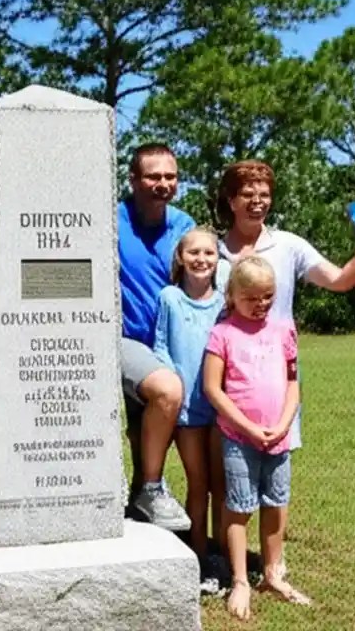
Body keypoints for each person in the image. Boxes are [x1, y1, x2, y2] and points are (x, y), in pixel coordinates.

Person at [212, 160, 355, 580]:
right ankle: (222, 561)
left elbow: (341, 280)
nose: (257, 201)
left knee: (276, 480)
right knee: (225, 476)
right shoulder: (210, 250)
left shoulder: (289, 245)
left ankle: (273, 565)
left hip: (276, 382)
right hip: (223, 377)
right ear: (230, 200)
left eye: (264, 194)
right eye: (247, 194)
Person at [203, 255, 310, 619]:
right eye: (252, 298)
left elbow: (293, 383)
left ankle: (272, 573)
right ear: (232, 295)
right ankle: (240, 581)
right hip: (238, 437)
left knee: (276, 503)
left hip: (279, 437)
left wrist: (283, 424)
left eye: (268, 297)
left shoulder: (283, 331)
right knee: (239, 506)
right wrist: (248, 428)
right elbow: (212, 389)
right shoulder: (223, 334)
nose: (261, 305)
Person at [118, 142, 194, 531]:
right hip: (124, 341)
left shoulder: (184, 226)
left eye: (170, 176)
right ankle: (151, 488)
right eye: (153, 176)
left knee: (143, 429)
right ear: (133, 180)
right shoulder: (110, 220)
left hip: (172, 343)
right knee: (166, 391)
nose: (163, 183)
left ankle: (141, 502)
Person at [151, 226, 225, 587]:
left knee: (221, 483)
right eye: (194, 252)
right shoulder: (169, 298)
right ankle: (197, 556)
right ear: (181, 257)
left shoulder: (225, 301)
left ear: (218, 258)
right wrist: (174, 384)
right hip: (187, 410)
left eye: (209, 253)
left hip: (222, 409)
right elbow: (161, 345)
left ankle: (223, 553)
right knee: (198, 482)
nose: (201, 259)